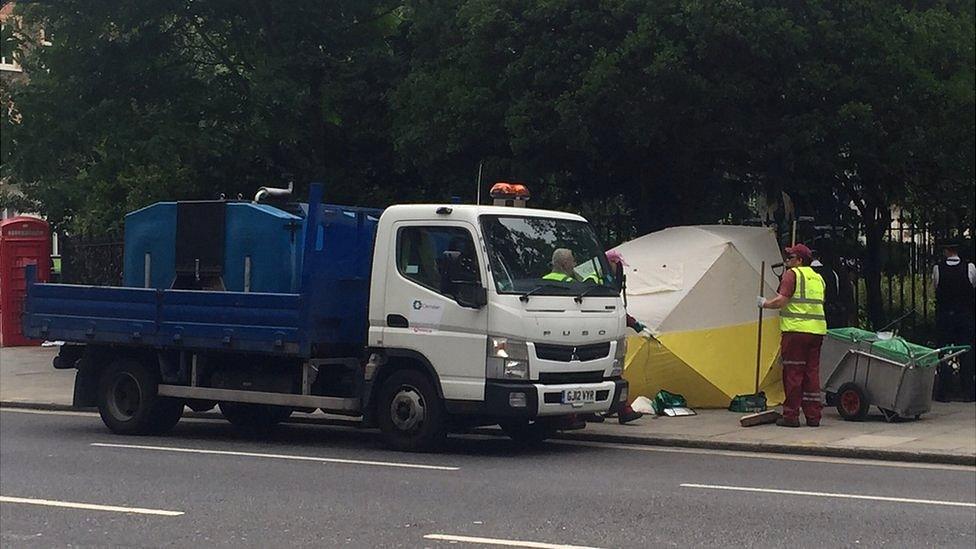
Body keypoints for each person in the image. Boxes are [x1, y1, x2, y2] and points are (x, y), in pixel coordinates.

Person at [758, 243, 827, 427]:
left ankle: (791, 416)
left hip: (796, 332)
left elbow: (782, 300)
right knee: (811, 374)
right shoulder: (818, 278)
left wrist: (764, 303)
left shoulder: (792, 275)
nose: (787, 261)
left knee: (793, 373)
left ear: (800, 260)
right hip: (817, 332)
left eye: (790, 258)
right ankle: (813, 416)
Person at [932, 239, 976, 402]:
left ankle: (943, 391)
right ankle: (968, 391)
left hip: (945, 317)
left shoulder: (938, 269)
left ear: (946, 251)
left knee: (944, 352)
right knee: (967, 352)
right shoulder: (969, 268)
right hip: (965, 317)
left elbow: (936, 288)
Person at [810, 249, 844, 328]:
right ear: (819, 258)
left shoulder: (803, 273)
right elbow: (836, 291)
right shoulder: (832, 272)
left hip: (809, 314)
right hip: (828, 313)